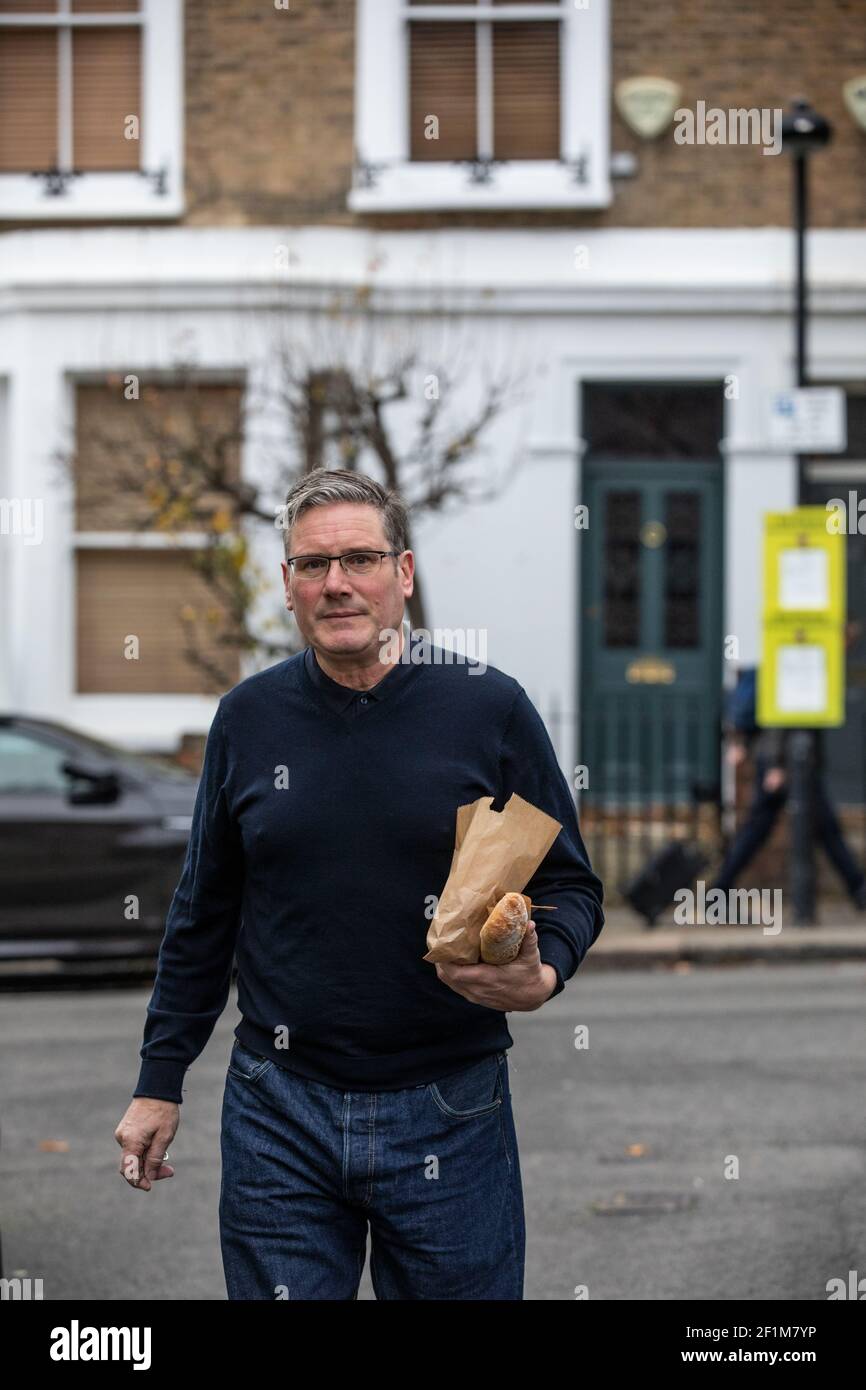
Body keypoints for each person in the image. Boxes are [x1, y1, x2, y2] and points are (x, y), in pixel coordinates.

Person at [113, 467, 605, 1300]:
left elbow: (572, 885)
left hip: (451, 1102)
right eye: (313, 565)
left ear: (402, 575)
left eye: (360, 560)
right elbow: (204, 914)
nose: (337, 583)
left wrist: (545, 968)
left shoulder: (488, 709)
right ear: (288, 585)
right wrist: (159, 1081)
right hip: (278, 1109)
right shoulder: (247, 718)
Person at [709, 655, 866, 912]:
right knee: (821, 828)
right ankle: (857, 888)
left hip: (789, 761)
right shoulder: (787, 660)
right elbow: (779, 718)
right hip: (788, 763)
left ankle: (718, 891)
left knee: (774, 829)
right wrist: (775, 764)